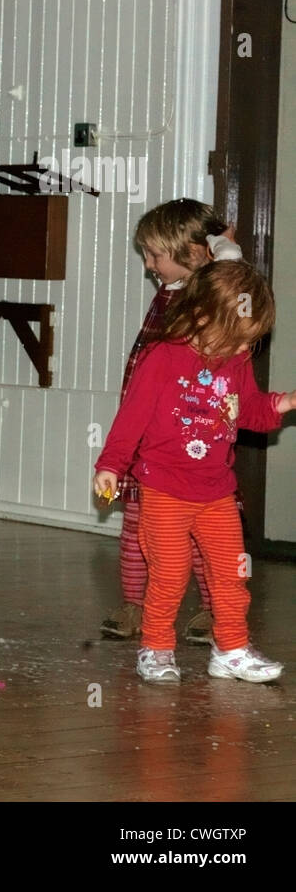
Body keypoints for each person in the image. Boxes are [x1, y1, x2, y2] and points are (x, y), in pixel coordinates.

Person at [94, 260, 293, 684]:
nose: (245, 351)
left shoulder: (236, 363)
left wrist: (286, 402)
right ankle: (156, 647)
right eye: (239, 339)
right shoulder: (162, 358)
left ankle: (232, 649)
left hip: (218, 492)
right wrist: (111, 465)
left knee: (231, 574)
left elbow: (251, 413)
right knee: (168, 573)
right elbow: (131, 419)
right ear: (203, 317)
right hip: (164, 489)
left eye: (251, 342)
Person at [99, 199, 242, 644]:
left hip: (194, 438)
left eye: (154, 255)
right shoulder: (169, 292)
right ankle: (135, 604)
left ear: (196, 253)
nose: (147, 265)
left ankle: (214, 608)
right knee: (138, 528)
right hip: (152, 440)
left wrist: (224, 250)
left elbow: (236, 284)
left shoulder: (210, 295)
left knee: (203, 536)